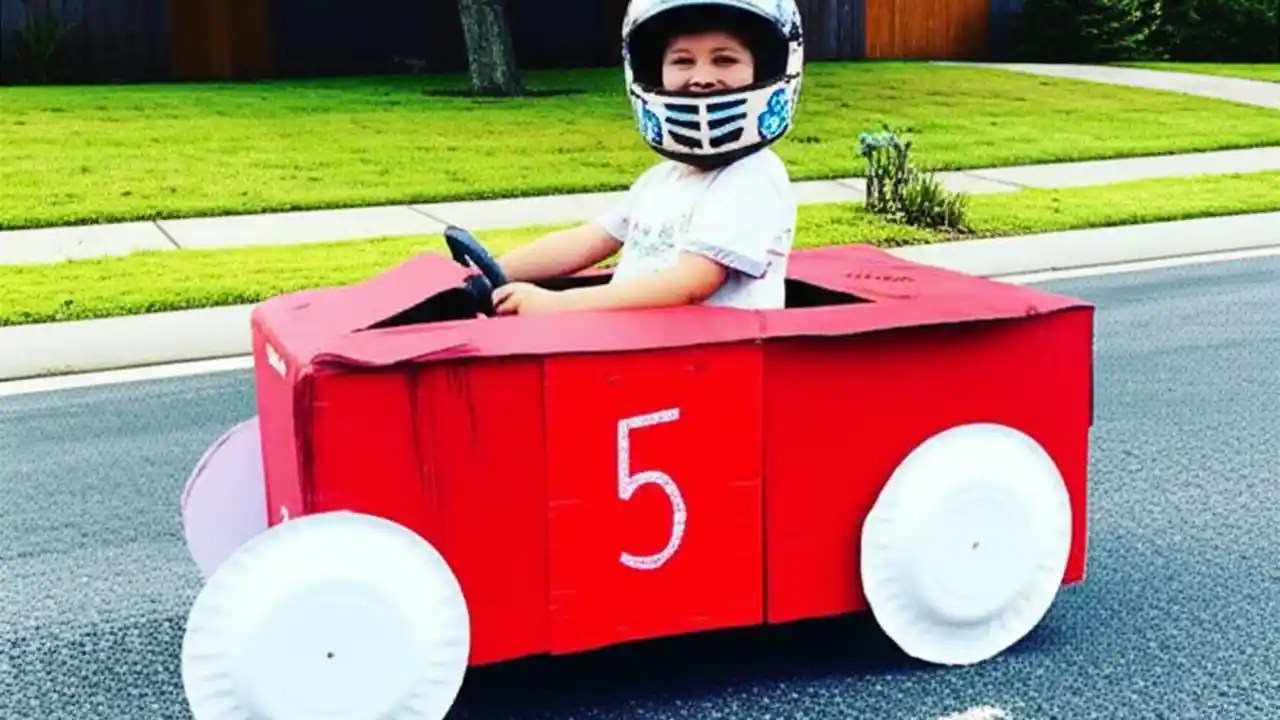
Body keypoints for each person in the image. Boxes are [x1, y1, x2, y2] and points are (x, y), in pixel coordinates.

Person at [492, 0, 805, 315]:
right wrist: (494, 270)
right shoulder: (660, 180)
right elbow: (588, 240)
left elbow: (692, 281)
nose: (702, 77)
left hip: (715, 356)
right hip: (651, 349)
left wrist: (557, 304)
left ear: (765, 69)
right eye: (682, 61)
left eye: (724, 59)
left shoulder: (752, 176)